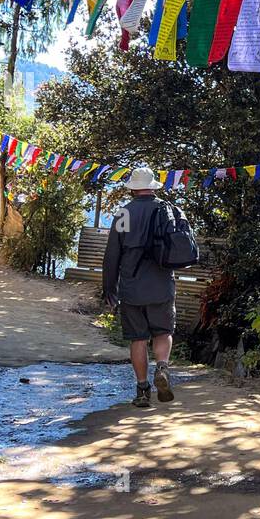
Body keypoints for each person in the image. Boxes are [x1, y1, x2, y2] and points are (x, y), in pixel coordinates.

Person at [102, 167, 176, 408]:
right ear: (153, 186)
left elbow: (112, 255)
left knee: (138, 339)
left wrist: (109, 288)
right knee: (163, 332)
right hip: (161, 283)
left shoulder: (124, 214)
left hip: (132, 286)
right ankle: (162, 367)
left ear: (133, 188)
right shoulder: (166, 210)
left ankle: (143, 389)